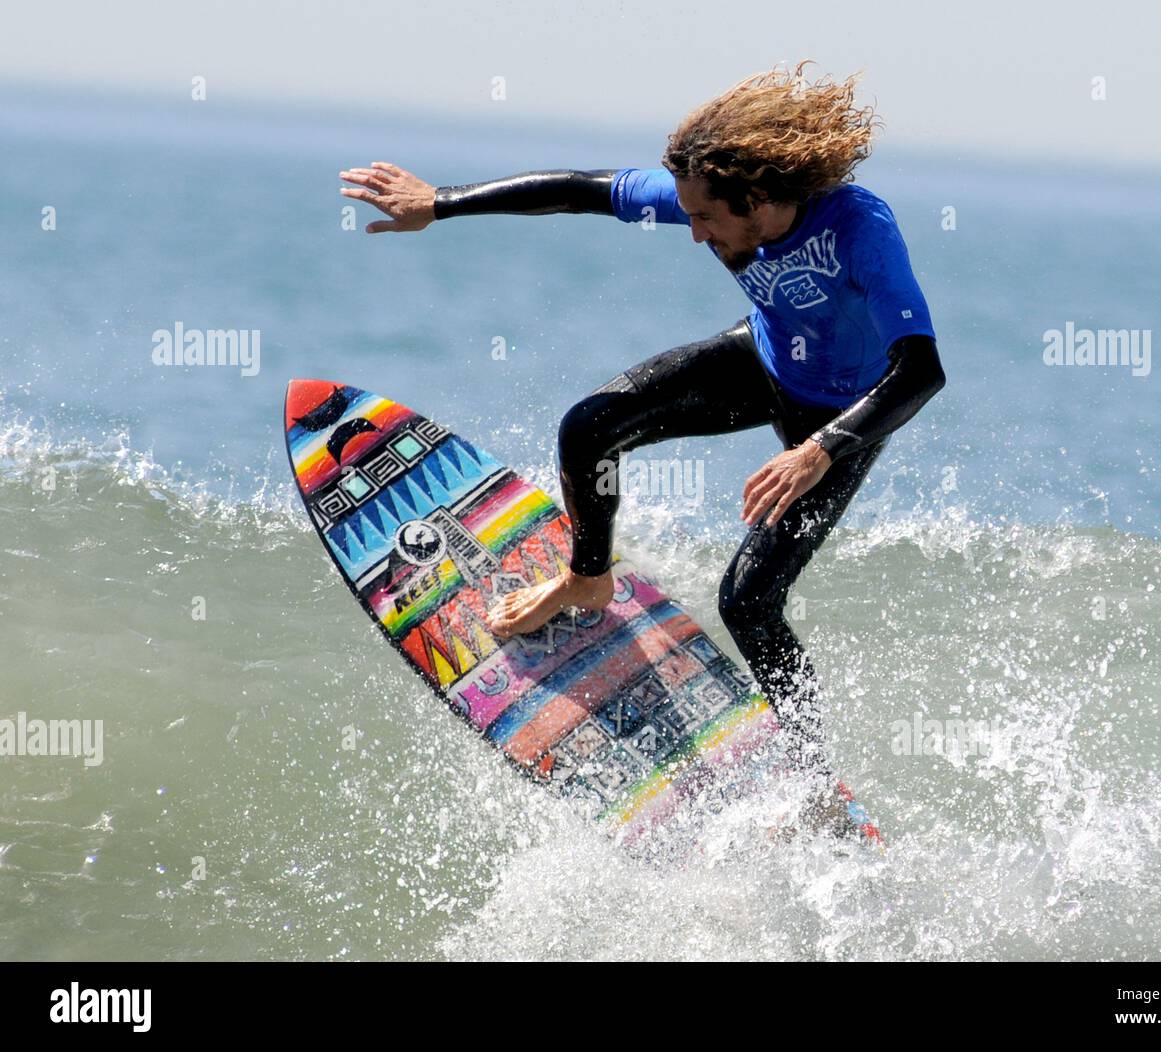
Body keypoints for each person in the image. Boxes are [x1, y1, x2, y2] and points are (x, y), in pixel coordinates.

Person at [340, 61, 945, 836]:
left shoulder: (861, 229)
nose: (692, 230)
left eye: (704, 217)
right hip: (764, 363)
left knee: (749, 603)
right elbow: (586, 191)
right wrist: (442, 204)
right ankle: (588, 579)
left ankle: (813, 776)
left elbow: (921, 368)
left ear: (757, 200)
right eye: (687, 212)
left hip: (840, 419)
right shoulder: (714, 193)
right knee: (589, 426)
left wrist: (821, 449)